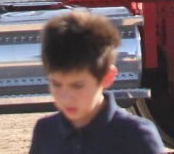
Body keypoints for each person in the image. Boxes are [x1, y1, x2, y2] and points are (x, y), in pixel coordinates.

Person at [29, 10, 165, 154]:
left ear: (107, 77)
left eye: (77, 86)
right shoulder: (46, 132)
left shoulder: (136, 136)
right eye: (56, 84)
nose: (66, 97)